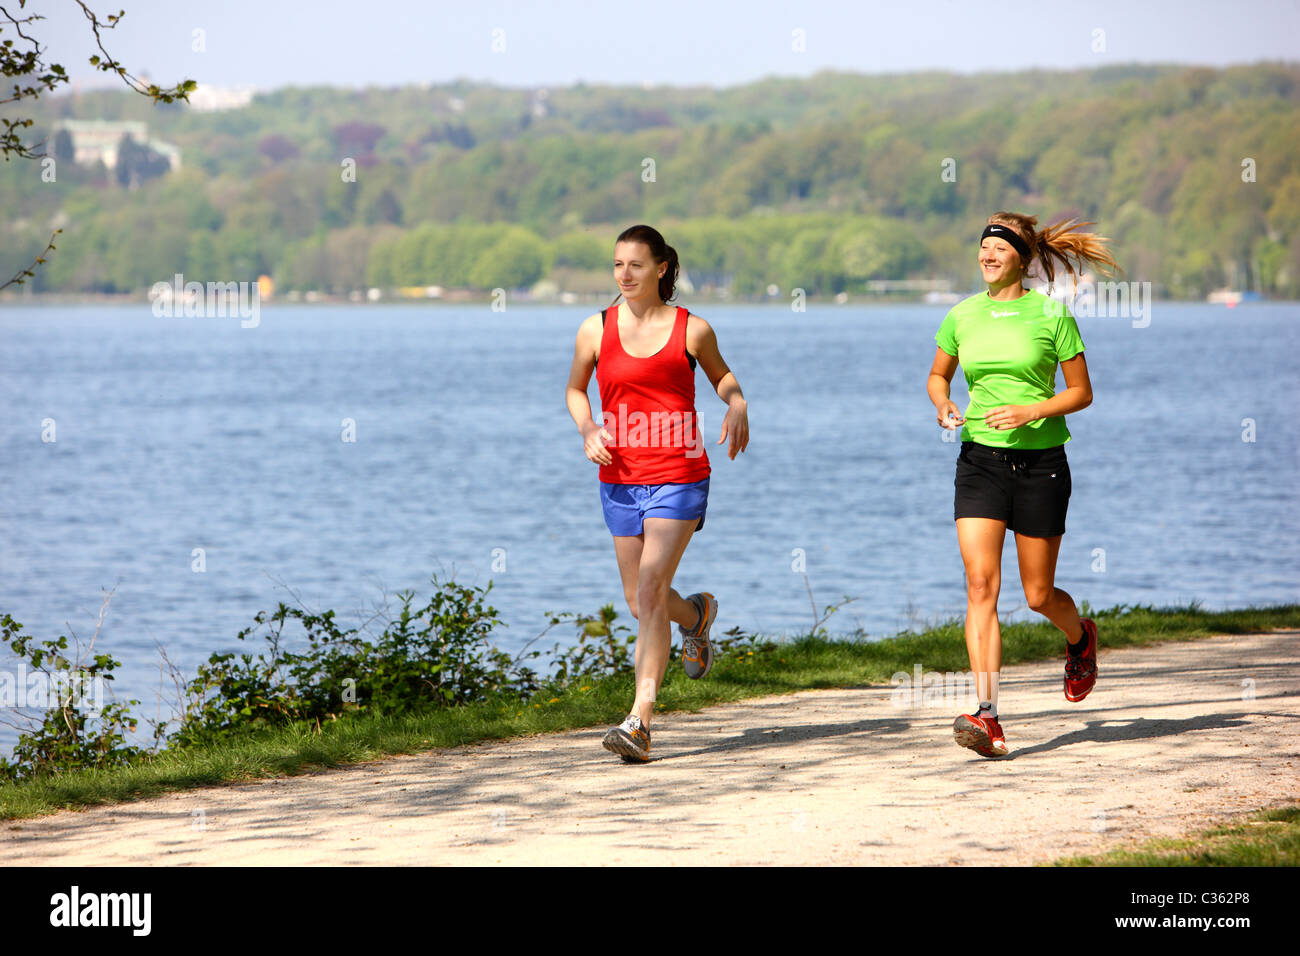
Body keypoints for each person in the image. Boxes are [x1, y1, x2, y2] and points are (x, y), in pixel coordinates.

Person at [927, 212, 1119, 758]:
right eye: (982, 247)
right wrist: (944, 403)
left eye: (998, 248)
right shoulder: (961, 315)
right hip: (980, 463)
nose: (987, 256)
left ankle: (1079, 637)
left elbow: (1080, 392)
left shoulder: (1051, 314)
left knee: (1038, 595)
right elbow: (938, 375)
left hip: (1042, 467)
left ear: (1021, 257)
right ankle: (987, 716)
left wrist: (1032, 409)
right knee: (980, 586)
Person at [565, 224, 749, 762]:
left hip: (679, 472)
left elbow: (724, 379)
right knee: (638, 600)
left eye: (636, 265)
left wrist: (736, 403)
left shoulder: (692, 330)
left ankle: (640, 719)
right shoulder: (594, 330)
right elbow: (576, 390)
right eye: (618, 265)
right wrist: (588, 429)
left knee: (648, 590)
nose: (624, 274)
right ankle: (695, 617)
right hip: (619, 478)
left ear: (661, 268)